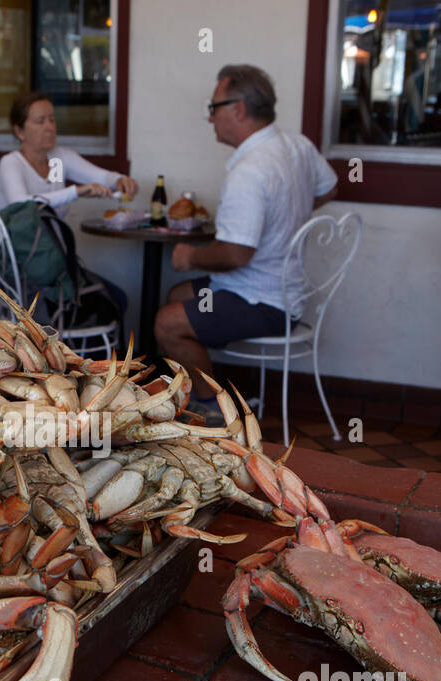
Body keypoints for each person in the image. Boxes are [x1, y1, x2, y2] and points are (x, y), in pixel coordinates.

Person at [154, 65, 338, 424]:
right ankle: (198, 392)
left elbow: (236, 254)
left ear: (238, 109)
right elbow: (330, 187)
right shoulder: (297, 145)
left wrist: (190, 255)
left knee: (166, 324)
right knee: (177, 296)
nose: (210, 118)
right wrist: (287, 213)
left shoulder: (250, 171)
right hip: (284, 289)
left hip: (266, 302)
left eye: (214, 106)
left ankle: (215, 412)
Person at [0, 92, 136, 325]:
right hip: (26, 274)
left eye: (52, 119)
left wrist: (121, 180)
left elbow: (100, 176)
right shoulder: (11, 163)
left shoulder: (59, 160)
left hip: (57, 267)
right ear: (20, 132)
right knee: (110, 304)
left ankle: (83, 359)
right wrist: (76, 192)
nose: (49, 127)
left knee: (117, 301)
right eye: (40, 121)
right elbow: (24, 205)